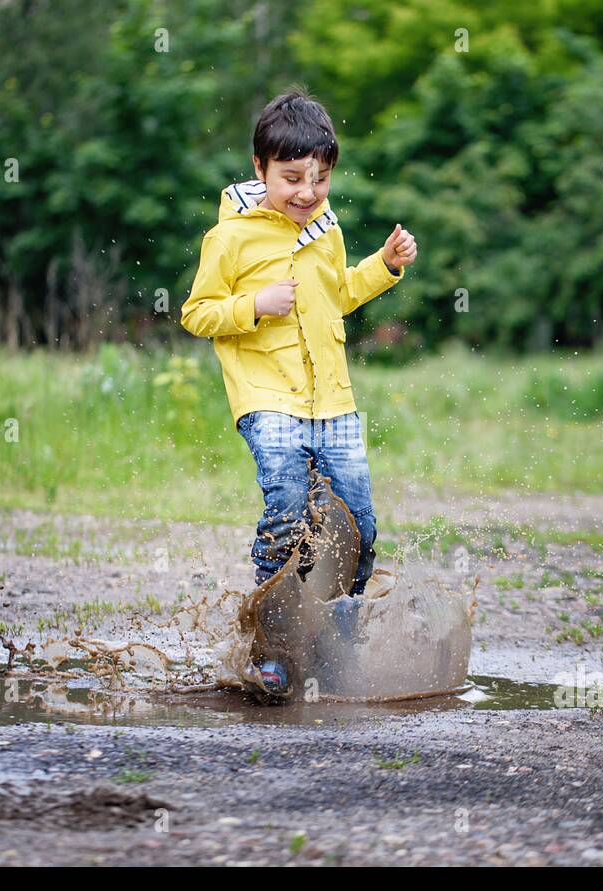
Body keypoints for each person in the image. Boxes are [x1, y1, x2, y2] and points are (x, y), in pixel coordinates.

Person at [180, 85, 417, 692]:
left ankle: (336, 640)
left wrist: (384, 267)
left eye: (320, 179)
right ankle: (271, 643)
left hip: (333, 400)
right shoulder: (230, 237)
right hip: (267, 397)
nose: (307, 193)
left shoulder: (326, 230)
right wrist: (253, 305)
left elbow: (337, 295)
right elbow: (197, 312)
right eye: (292, 178)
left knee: (358, 527)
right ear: (259, 169)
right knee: (287, 510)